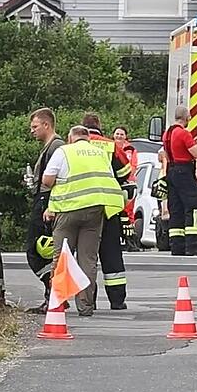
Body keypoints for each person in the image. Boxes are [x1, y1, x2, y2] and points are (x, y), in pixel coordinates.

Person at [42, 126, 125, 317]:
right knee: (88, 260)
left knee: (62, 258)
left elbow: (47, 180)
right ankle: (86, 306)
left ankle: (57, 304)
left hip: (67, 210)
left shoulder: (64, 151)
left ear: (71, 138)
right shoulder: (100, 153)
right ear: (88, 139)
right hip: (95, 211)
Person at [81, 113, 133, 310]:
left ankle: (88, 299)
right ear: (100, 127)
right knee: (111, 254)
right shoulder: (110, 145)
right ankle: (117, 300)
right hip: (109, 208)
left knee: (87, 255)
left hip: (82, 206)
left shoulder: (73, 146)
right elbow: (125, 172)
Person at [26, 108, 67, 312]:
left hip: (47, 203)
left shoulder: (56, 147)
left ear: (46, 125)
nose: (31, 131)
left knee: (39, 250)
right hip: (44, 201)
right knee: (42, 251)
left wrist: (49, 206)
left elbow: (53, 181)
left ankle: (55, 293)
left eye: (34, 127)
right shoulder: (49, 147)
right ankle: (54, 293)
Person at [161, 106, 197, 256]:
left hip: (172, 170)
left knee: (176, 208)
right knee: (193, 206)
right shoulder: (183, 133)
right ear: (186, 117)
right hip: (184, 171)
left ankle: (177, 246)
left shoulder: (167, 133)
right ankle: (193, 245)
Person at [113, 126, 140, 252]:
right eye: (117, 134)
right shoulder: (110, 147)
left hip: (128, 185)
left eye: (121, 134)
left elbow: (133, 166)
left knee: (128, 214)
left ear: (125, 137)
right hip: (114, 185)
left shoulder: (130, 149)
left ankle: (130, 240)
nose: (119, 136)